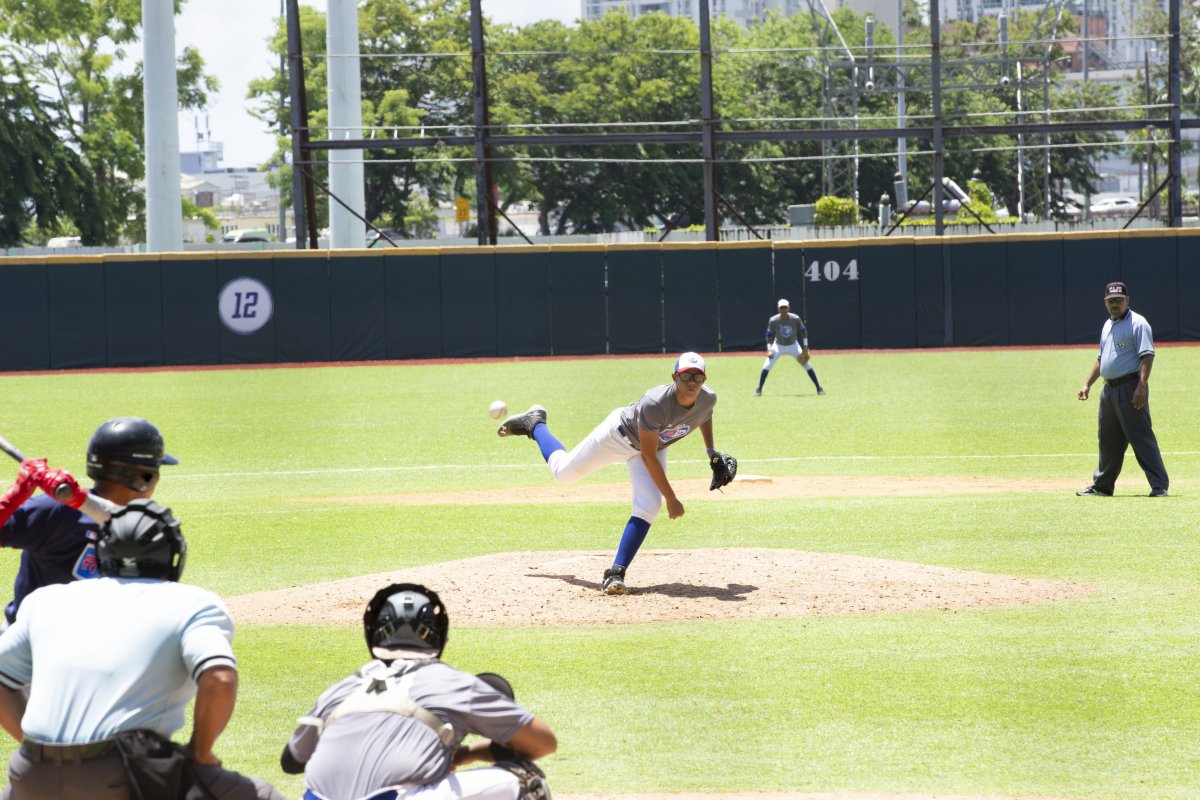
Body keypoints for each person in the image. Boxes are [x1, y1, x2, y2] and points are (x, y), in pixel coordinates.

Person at [0, 499, 284, 800]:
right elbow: (220, 678)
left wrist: (45, 746)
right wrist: (200, 754)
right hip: (124, 773)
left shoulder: (48, 600)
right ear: (172, 558)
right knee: (262, 795)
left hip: (30, 774)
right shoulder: (192, 603)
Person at [281, 582, 557, 800]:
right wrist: (465, 752)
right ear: (439, 634)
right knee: (526, 781)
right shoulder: (454, 683)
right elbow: (543, 743)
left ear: (374, 632)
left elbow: (291, 762)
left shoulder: (341, 689)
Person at [497, 351, 724, 595]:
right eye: (686, 375)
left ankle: (616, 573)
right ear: (674, 377)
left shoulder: (707, 398)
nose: (692, 382)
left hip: (651, 444)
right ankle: (535, 424)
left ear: (704, 378)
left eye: (697, 377)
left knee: (649, 506)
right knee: (563, 473)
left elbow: (703, 416)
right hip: (617, 437)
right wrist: (671, 498)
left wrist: (711, 451)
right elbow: (648, 456)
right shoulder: (655, 403)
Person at [0, 417, 178, 625]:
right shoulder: (54, 510)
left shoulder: (144, 526)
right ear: (142, 478)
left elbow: (113, 517)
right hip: (28, 644)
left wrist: (77, 499)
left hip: (97, 643)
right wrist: (18, 491)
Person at [1076, 281, 1169, 497]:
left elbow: (1147, 355)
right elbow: (1102, 358)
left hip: (1130, 387)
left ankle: (1159, 485)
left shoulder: (1138, 323)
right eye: (1111, 301)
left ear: (1127, 300)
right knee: (1108, 440)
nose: (1115, 305)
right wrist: (1087, 383)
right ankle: (1102, 486)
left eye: (1119, 300)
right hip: (1108, 390)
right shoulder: (1108, 325)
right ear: (1105, 303)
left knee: (1140, 437)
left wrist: (1141, 386)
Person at [755, 298, 824, 397]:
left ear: (789, 308)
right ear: (778, 309)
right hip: (778, 345)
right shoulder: (773, 320)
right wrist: (769, 349)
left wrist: (805, 346)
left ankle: (819, 388)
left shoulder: (795, 318)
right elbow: (769, 335)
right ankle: (759, 390)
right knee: (767, 365)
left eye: (785, 307)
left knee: (807, 365)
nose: (783, 310)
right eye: (781, 308)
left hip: (793, 345)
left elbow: (803, 331)